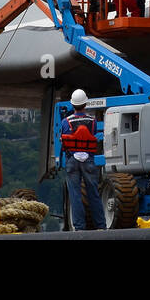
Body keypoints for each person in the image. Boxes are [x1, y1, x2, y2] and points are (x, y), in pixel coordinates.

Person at [59, 90, 105, 230]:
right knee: (94, 194)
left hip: (72, 160)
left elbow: (64, 139)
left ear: (72, 105)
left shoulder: (65, 122)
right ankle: (101, 226)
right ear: (85, 104)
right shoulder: (92, 121)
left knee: (75, 195)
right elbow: (93, 135)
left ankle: (79, 227)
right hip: (88, 161)